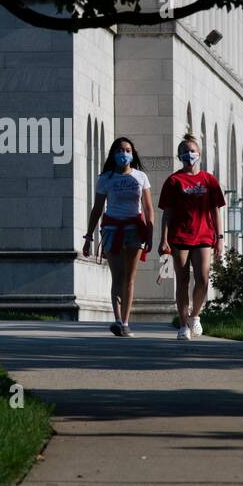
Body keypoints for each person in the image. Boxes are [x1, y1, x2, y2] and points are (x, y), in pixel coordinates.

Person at [158, 133, 226, 340]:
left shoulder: (209, 180)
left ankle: (195, 316)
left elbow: (216, 210)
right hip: (180, 237)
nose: (189, 154)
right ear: (179, 156)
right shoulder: (173, 181)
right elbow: (167, 212)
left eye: (192, 150)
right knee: (182, 280)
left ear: (199, 153)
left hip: (204, 235)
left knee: (203, 279)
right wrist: (164, 239)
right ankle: (182, 325)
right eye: (185, 151)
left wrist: (220, 237)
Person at [83, 137, 153, 337]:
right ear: (114, 154)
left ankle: (125, 322)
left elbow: (148, 208)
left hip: (134, 230)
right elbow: (97, 209)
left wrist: (150, 233)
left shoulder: (140, 177)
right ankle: (116, 319)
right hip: (112, 229)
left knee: (129, 279)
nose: (124, 153)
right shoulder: (105, 178)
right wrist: (88, 237)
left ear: (133, 154)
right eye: (120, 150)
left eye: (128, 150)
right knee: (117, 277)